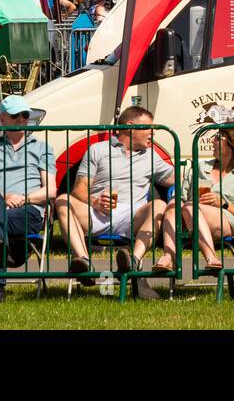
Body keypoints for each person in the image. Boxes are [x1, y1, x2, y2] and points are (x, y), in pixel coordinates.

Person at [55, 105, 172, 300]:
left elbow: (178, 177)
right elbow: (78, 189)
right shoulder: (98, 149)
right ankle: (83, 261)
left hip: (132, 215)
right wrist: (95, 201)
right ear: (130, 126)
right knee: (63, 200)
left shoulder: (151, 156)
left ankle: (133, 260)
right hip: (96, 213)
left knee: (159, 204)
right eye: (148, 128)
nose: (152, 133)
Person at [0, 96, 55, 302]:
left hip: (29, 211)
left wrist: (24, 198)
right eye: (15, 115)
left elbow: (51, 190)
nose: (21, 120)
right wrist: (3, 198)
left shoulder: (42, 148)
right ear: (2, 118)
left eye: (25, 115)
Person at [159, 105, 234, 273]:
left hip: (222, 221)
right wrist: (174, 204)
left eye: (218, 137)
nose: (212, 141)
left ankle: (211, 257)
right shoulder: (199, 166)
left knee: (191, 207)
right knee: (171, 208)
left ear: (233, 142)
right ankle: (168, 257)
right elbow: (180, 196)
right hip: (188, 219)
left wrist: (224, 204)